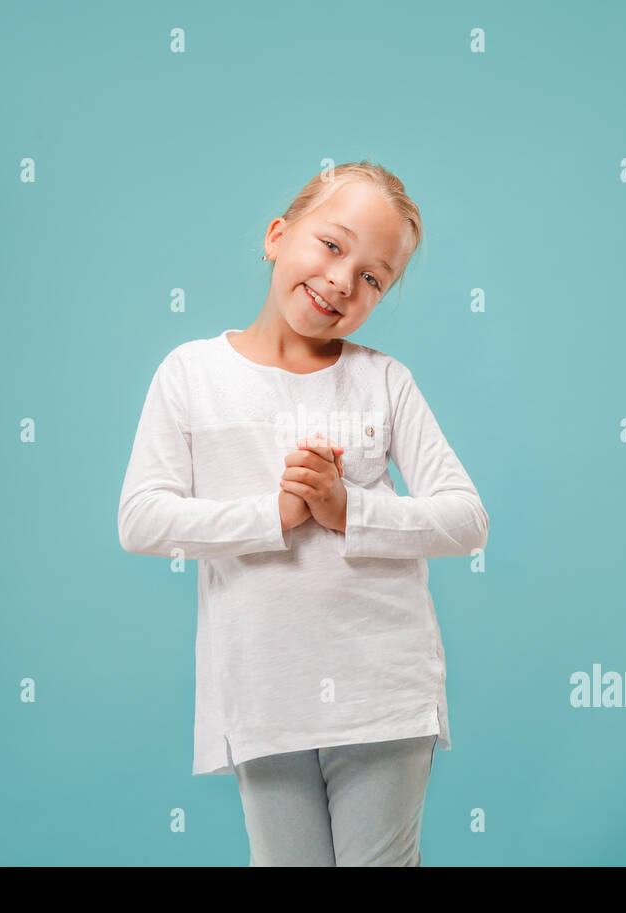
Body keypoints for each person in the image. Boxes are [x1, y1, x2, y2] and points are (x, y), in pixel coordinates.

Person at [118, 161, 489, 865]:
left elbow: (467, 519)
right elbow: (142, 519)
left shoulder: (383, 381)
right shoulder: (191, 375)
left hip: (383, 690)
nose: (344, 280)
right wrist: (275, 514)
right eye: (331, 245)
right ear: (276, 236)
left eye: (375, 277)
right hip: (264, 692)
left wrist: (349, 509)